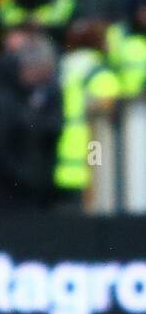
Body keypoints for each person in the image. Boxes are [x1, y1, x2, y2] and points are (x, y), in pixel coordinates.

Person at [0, 31, 63, 211]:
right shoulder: (0, 94)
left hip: (21, 191)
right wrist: (27, 179)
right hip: (3, 193)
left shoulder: (35, 91)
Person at [54, 19, 121, 207]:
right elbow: (100, 130)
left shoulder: (60, 70)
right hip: (89, 164)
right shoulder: (101, 76)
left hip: (57, 164)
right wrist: (97, 166)